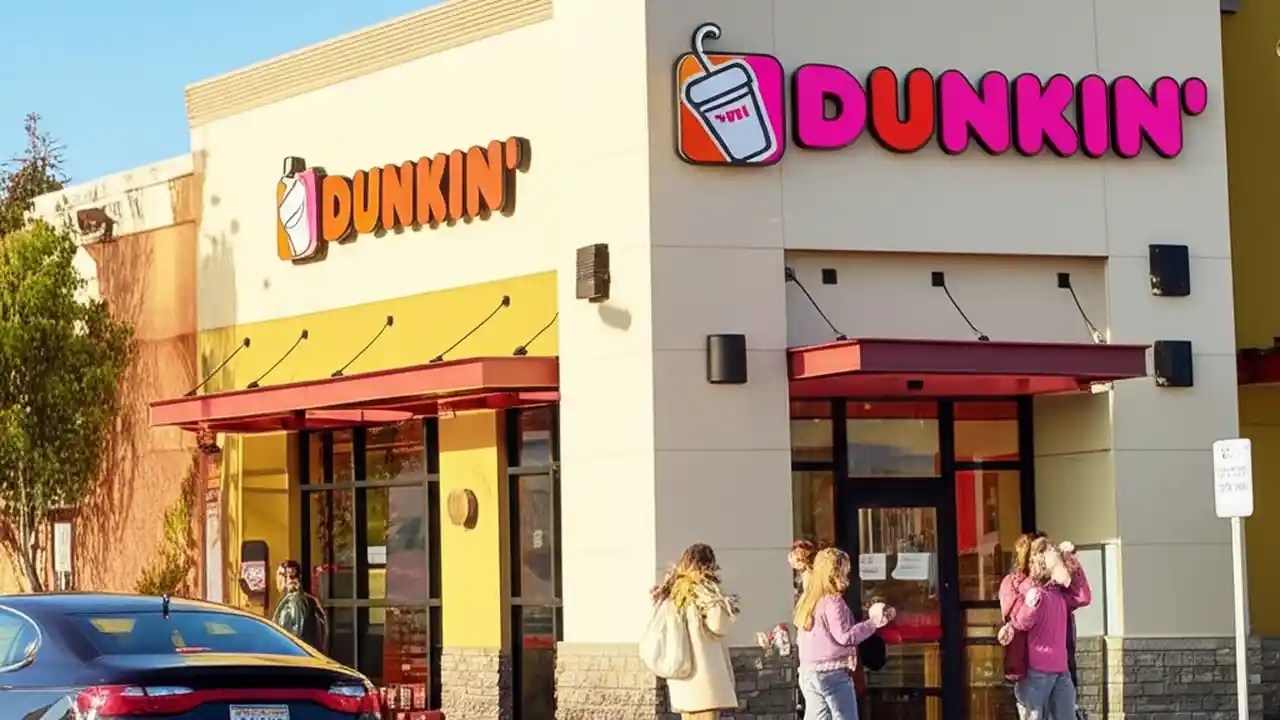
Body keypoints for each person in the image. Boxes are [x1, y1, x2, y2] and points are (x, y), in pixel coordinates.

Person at [795, 547, 896, 720]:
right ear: (836, 573)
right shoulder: (833, 601)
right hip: (833, 672)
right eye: (845, 572)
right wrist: (873, 623)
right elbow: (845, 637)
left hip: (808, 674)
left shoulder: (807, 601)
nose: (847, 577)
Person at [1006, 538, 1092, 720]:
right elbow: (1020, 622)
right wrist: (1030, 605)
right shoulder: (1032, 590)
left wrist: (1071, 560)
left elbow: (1083, 596)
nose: (1056, 552)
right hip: (1036, 673)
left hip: (1061, 672)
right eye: (1051, 550)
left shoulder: (1060, 594)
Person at [651, 544, 738, 720]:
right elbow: (718, 624)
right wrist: (724, 606)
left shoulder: (673, 590)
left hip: (682, 675)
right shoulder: (703, 590)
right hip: (703, 678)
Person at [272, 560, 328, 652]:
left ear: (285, 577)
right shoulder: (307, 600)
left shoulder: (294, 602)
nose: (276, 578)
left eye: (279, 574)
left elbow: (295, 635)